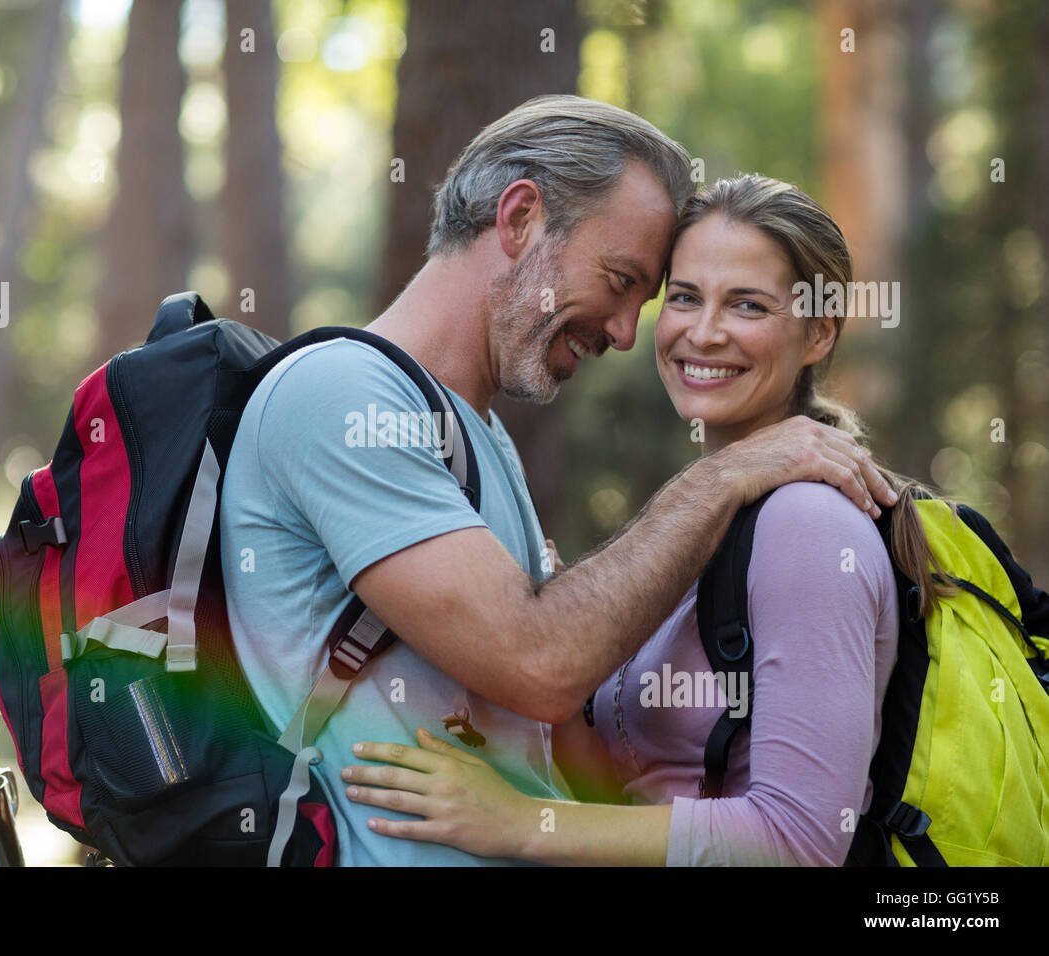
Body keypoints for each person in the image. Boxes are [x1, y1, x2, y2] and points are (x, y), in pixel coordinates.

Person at [220, 97, 897, 867]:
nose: (623, 333)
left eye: (648, 300)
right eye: (625, 282)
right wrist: (723, 477)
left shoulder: (484, 439)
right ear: (519, 220)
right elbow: (541, 665)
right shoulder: (342, 395)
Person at [339, 174, 951, 866]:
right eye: (685, 298)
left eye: (747, 305)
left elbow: (798, 841)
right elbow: (643, 780)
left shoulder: (808, 525)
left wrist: (520, 822)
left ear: (817, 335)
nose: (704, 332)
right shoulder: (713, 514)